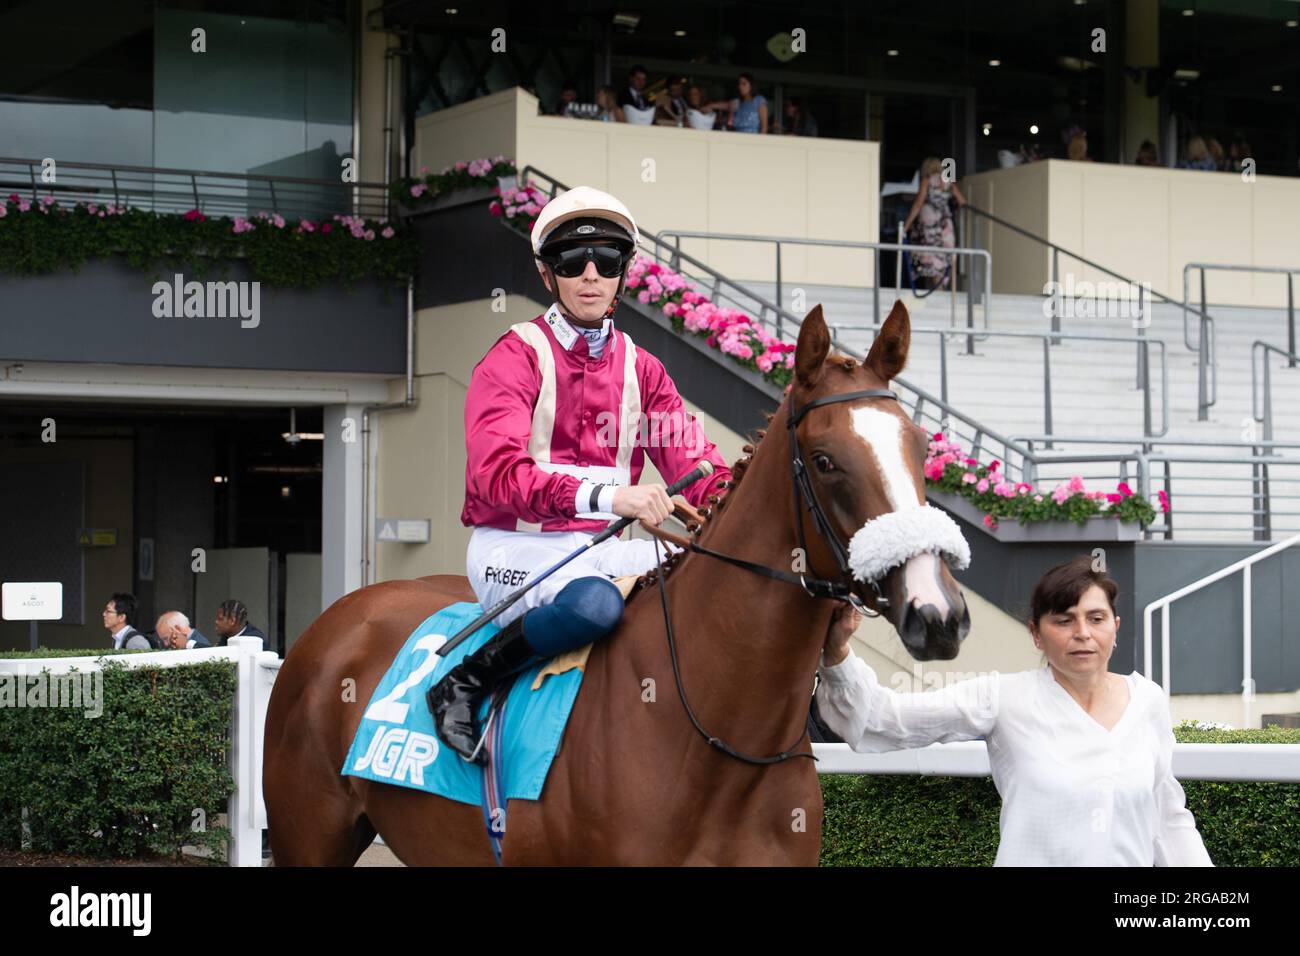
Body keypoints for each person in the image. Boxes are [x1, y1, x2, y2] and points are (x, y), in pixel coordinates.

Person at [426, 185, 733, 763]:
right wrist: (611, 497)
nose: (590, 274)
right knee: (595, 607)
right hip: (515, 547)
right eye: (572, 261)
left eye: (607, 261)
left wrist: (739, 497)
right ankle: (465, 682)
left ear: (623, 274)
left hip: (603, 552)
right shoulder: (513, 357)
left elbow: (696, 465)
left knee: (722, 582)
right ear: (548, 275)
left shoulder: (644, 369)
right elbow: (498, 477)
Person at [816, 555, 1214, 867]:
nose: (1082, 633)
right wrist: (837, 652)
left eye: (1096, 618)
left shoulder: (1148, 701)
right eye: (1063, 620)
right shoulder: (1003, 697)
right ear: (1036, 634)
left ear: (1115, 627)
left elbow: (1167, 818)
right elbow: (883, 721)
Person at [902, 156, 966, 290]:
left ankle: (937, 296)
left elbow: (918, 204)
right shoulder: (949, 182)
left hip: (930, 229)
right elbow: (962, 202)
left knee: (931, 263)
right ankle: (944, 294)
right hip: (946, 228)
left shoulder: (927, 179)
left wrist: (906, 226)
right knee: (943, 263)